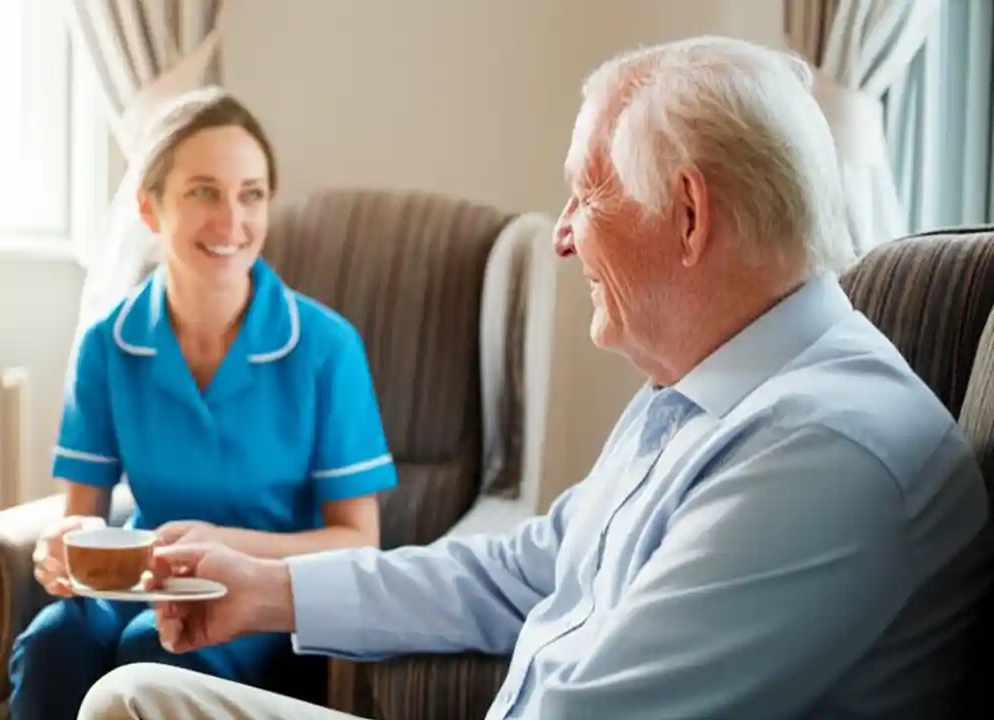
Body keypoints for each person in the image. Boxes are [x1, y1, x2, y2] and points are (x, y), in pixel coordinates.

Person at [75, 35, 993, 720]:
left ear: (687, 215)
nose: (562, 234)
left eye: (586, 194)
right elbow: (524, 570)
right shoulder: (700, 394)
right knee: (138, 696)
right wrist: (263, 588)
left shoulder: (825, 453)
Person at [7, 88, 398, 720]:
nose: (232, 222)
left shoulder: (327, 347)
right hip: (142, 587)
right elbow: (84, 516)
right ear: (149, 207)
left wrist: (223, 542)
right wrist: (64, 543)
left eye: (251, 194)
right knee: (55, 641)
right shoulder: (108, 344)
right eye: (203, 192)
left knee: (152, 653)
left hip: (264, 597)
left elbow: (358, 542)